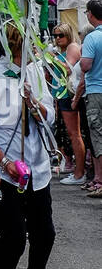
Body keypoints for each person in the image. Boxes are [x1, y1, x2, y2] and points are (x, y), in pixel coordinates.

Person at [0, 23, 56, 269]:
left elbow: (50, 115)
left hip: (37, 169)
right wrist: (5, 161)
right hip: (7, 173)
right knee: (13, 241)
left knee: (46, 233)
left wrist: (35, 103)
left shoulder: (37, 73)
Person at [49, 21, 84, 185]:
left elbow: (68, 69)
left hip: (68, 95)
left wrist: (51, 58)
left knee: (75, 134)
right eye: (55, 35)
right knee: (69, 134)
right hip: (61, 95)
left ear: (68, 34)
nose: (57, 38)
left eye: (60, 35)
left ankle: (79, 173)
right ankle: (76, 171)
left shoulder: (72, 47)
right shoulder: (62, 50)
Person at [78, 0, 102, 195]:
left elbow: (85, 66)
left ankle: (100, 180)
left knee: (97, 135)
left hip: (96, 91)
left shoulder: (92, 38)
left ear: (91, 14)